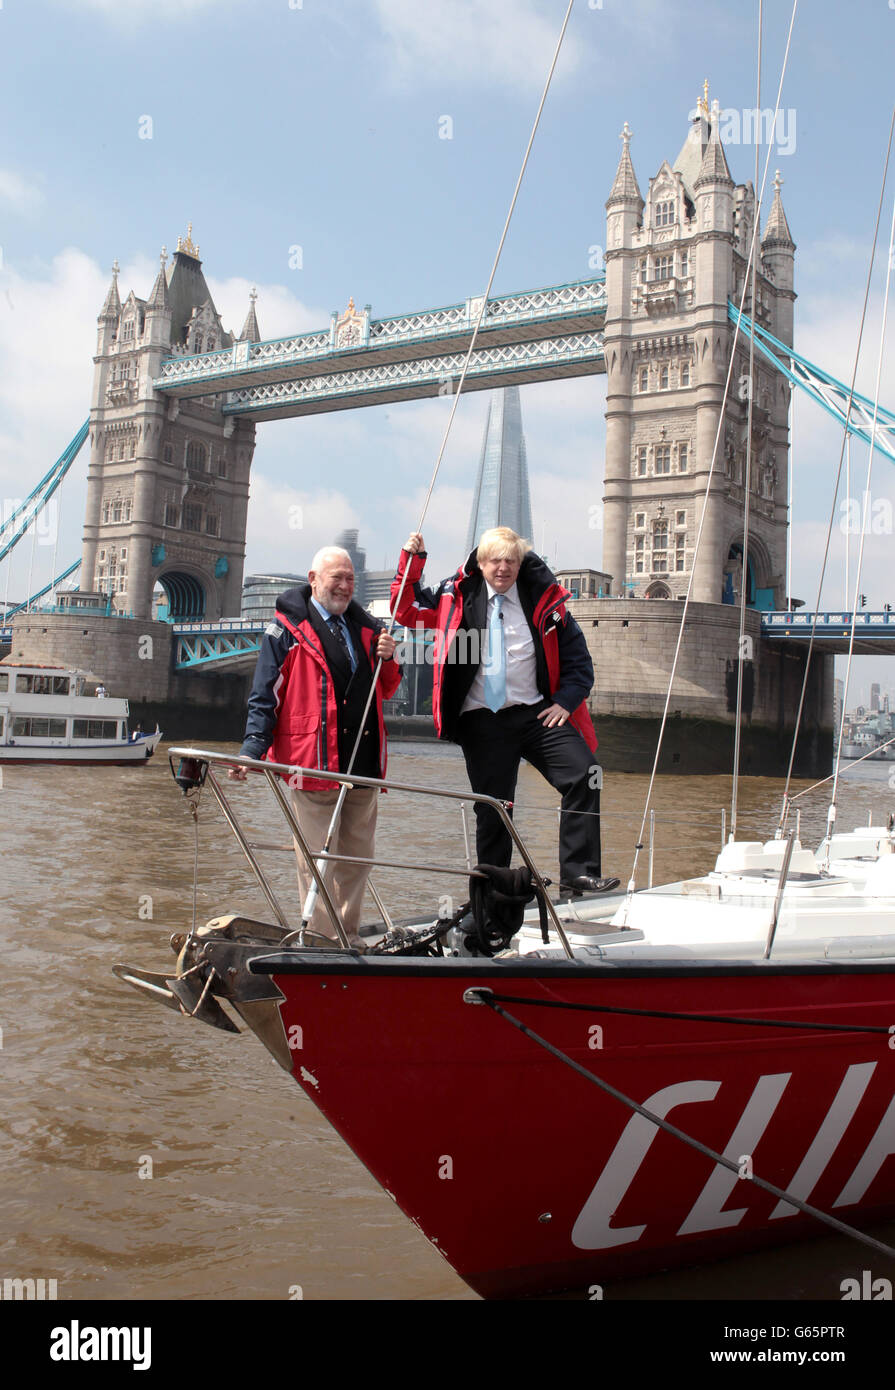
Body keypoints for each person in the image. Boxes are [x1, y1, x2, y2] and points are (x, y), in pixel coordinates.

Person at [392, 527, 617, 896]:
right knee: (496, 811)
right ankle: (492, 902)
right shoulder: (454, 596)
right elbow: (407, 610)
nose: (503, 568)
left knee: (586, 774)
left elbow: (579, 661)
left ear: (520, 563)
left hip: (535, 715)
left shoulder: (547, 602)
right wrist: (411, 561)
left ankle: (578, 874)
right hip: (482, 720)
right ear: (480, 564)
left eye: (511, 560)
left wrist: (565, 702)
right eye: (495, 560)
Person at [230, 546, 400, 946]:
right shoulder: (285, 630)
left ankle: (349, 936)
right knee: (318, 858)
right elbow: (265, 694)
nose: (343, 586)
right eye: (335, 577)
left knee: (357, 857)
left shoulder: (369, 630)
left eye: (349, 579)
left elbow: (386, 689)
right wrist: (251, 751)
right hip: (314, 760)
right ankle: (322, 940)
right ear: (313, 580)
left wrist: (389, 659)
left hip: (363, 761)